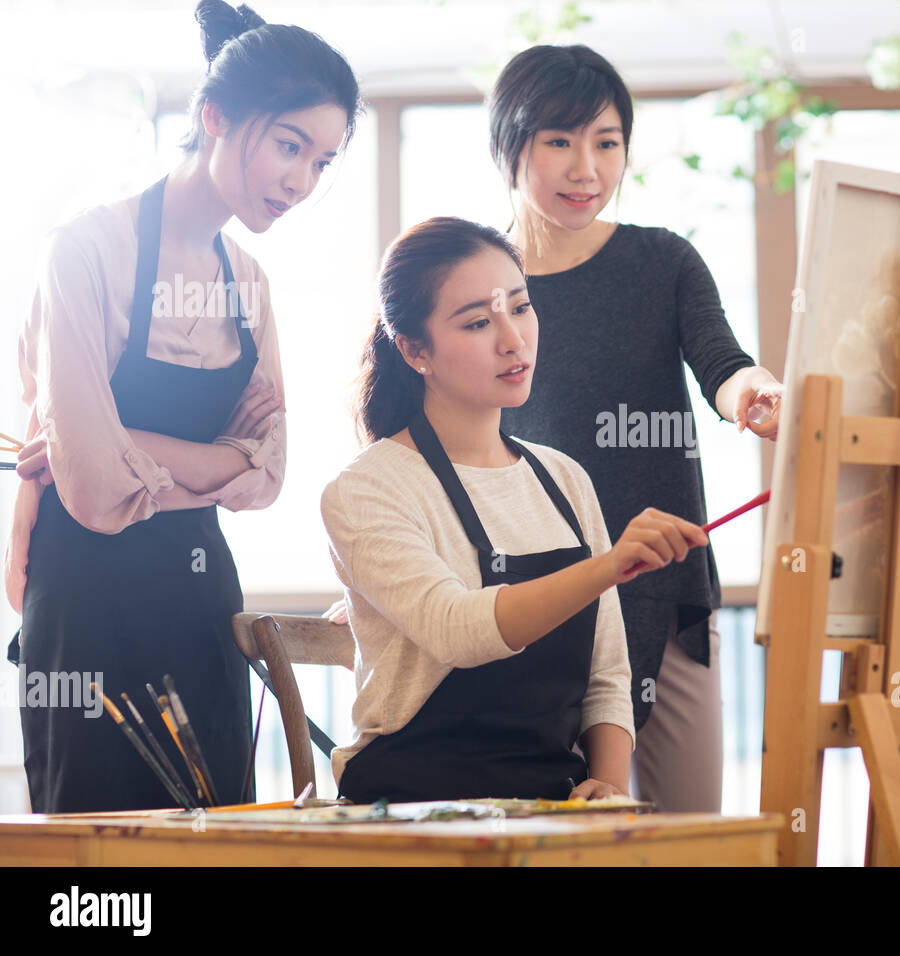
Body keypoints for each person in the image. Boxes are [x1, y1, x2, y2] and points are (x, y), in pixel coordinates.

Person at [4, 0, 360, 812]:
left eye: (322, 161)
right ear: (215, 116)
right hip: (86, 599)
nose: (302, 182)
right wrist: (213, 461)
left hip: (200, 600)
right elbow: (91, 489)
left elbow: (268, 475)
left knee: (217, 830)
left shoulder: (249, 282)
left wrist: (119, 440)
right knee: (96, 845)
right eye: (289, 146)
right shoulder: (85, 252)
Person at [486, 44, 785, 812]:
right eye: (559, 141)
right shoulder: (476, 279)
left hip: (664, 592)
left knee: (690, 835)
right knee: (557, 838)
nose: (587, 168)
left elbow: (724, 364)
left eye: (607, 142)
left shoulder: (662, 261)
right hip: (532, 605)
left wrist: (754, 393)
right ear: (509, 143)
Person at [321, 217, 709, 802]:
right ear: (415, 350)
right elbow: (457, 630)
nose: (513, 340)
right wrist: (606, 568)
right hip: (411, 810)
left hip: (550, 805)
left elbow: (607, 675)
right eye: (478, 322)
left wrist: (607, 788)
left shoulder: (564, 479)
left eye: (521, 308)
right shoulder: (365, 489)